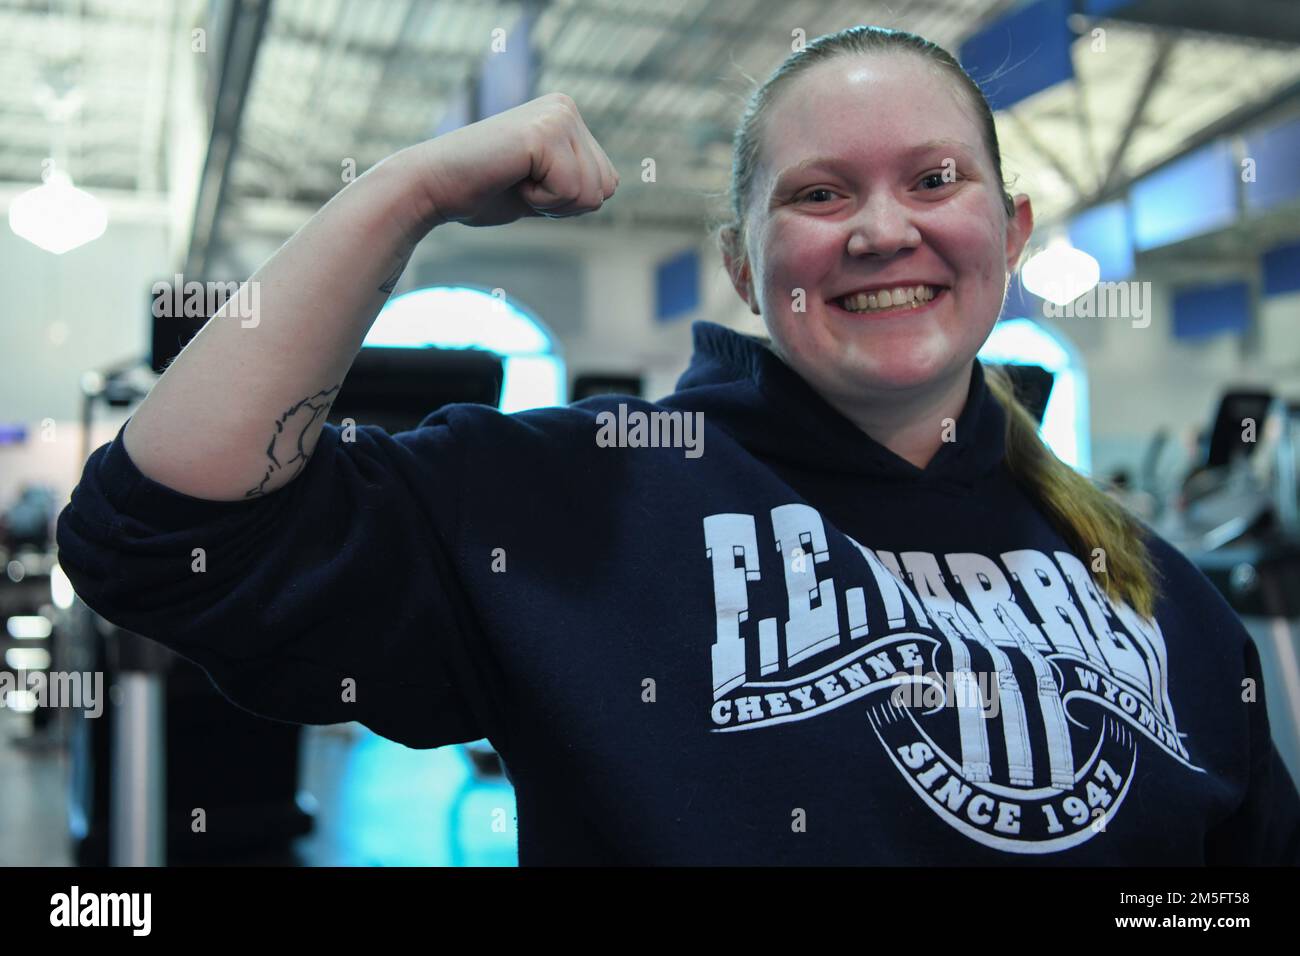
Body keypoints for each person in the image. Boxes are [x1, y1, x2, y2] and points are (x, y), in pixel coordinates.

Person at [56, 25, 1300, 865]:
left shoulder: (1151, 583)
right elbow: (163, 534)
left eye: (933, 179)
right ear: (739, 267)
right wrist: (405, 194)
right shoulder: (583, 499)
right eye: (818, 194)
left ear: (1010, 228)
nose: (881, 230)